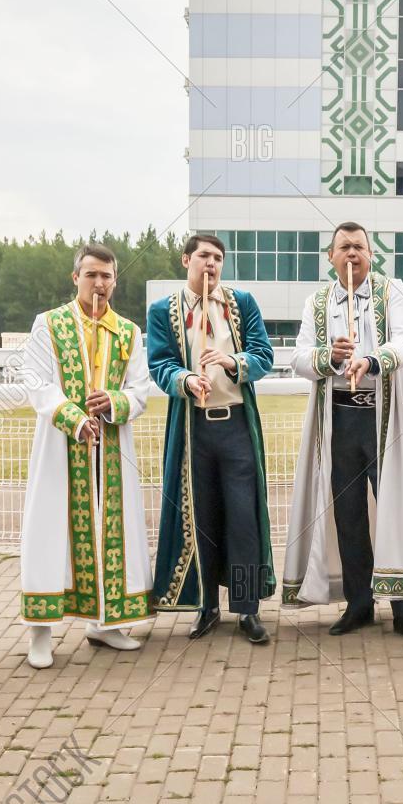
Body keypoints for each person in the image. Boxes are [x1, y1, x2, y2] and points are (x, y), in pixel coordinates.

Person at [282, 221, 403, 642]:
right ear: (331, 257)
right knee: (347, 515)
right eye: (343, 247)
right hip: (341, 419)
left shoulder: (391, 292)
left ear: (371, 255)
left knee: (395, 507)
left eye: (359, 247)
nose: (351, 255)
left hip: (383, 418)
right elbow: (299, 357)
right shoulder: (319, 300)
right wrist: (330, 357)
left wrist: (372, 358)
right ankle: (359, 603)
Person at [20, 243, 154, 666]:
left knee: (112, 531)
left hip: (111, 450)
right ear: (74, 277)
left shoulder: (128, 332)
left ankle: (105, 624)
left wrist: (114, 402)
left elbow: (141, 389)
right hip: (62, 448)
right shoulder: (50, 324)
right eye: (91, 274)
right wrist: (74, 418)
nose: (99, 283)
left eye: (107, 276)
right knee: (50, 532)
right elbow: (37, 382)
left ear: (116, 281)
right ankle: (40, 634)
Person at [147, 234, 275, 644]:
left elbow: (264, 355)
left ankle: (247, 608)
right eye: (204, 256)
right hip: (193, 428)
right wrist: (185, 378)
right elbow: (160, 363)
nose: (212, 264)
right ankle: (207, 606)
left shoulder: (243, 303)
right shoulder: (162, 310)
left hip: (236, 425)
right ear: (187, 259)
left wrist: (231, 361)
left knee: (243, 518)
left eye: (218, 258)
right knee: (199, 518)